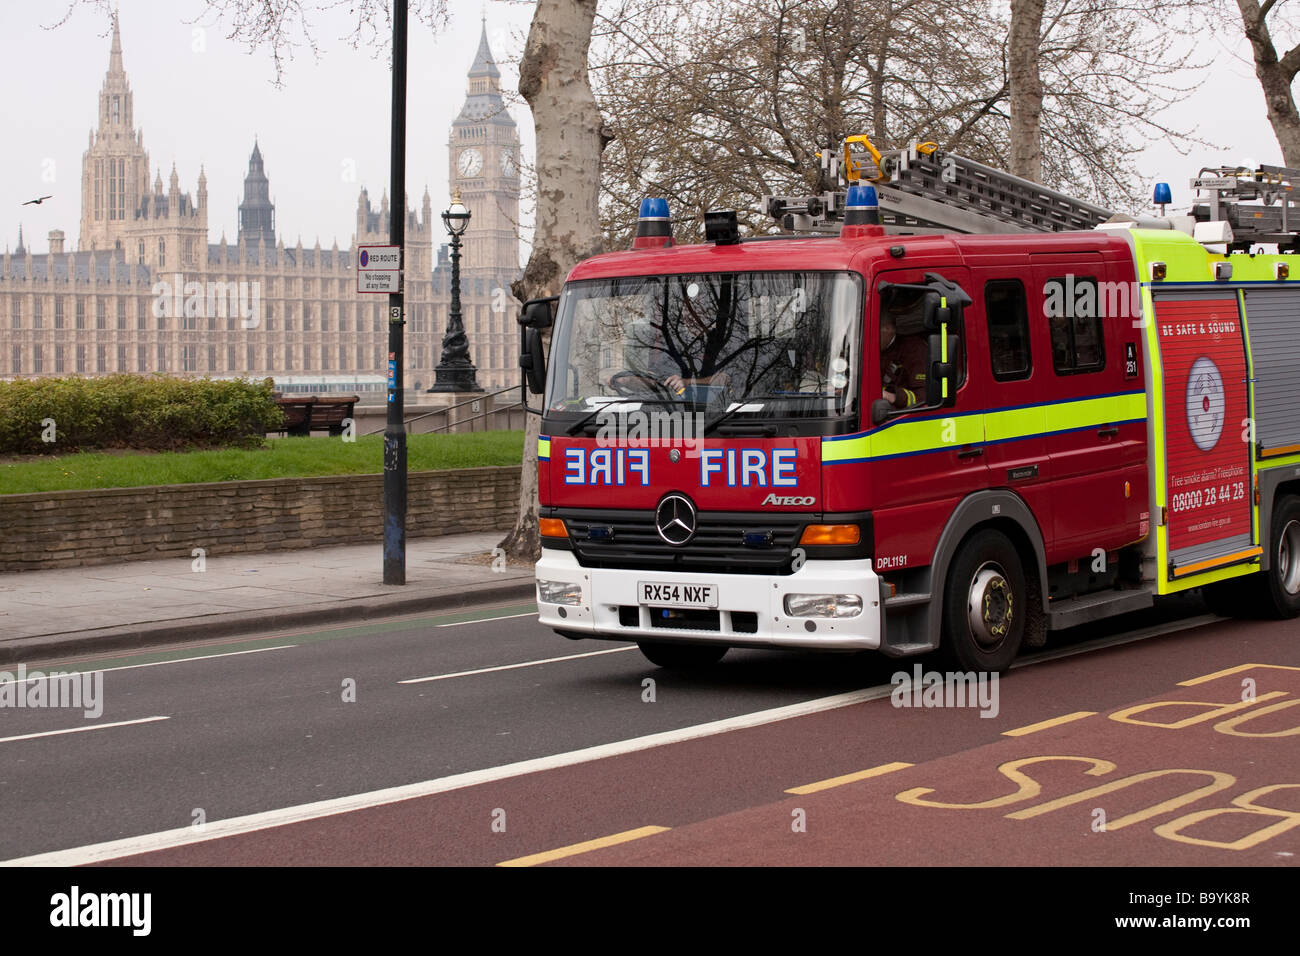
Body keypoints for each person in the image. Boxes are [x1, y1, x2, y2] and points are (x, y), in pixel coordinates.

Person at [880, 311, 928, 410]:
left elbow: (925, 398)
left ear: (888, 329)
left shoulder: (914, 349)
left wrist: (892, 397)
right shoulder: (875, 350)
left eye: (872, 331)